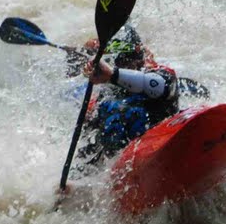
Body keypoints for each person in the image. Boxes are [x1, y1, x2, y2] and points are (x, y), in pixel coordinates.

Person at [74, 25, 182, 166]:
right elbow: (88, 152)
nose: (130, 64)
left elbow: (159, 85)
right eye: (123, 62)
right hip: (125, 165)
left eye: (130, 60)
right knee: (107, 109)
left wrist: (113, 75)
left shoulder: (162, 74)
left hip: (162, 142)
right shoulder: (103, 97)